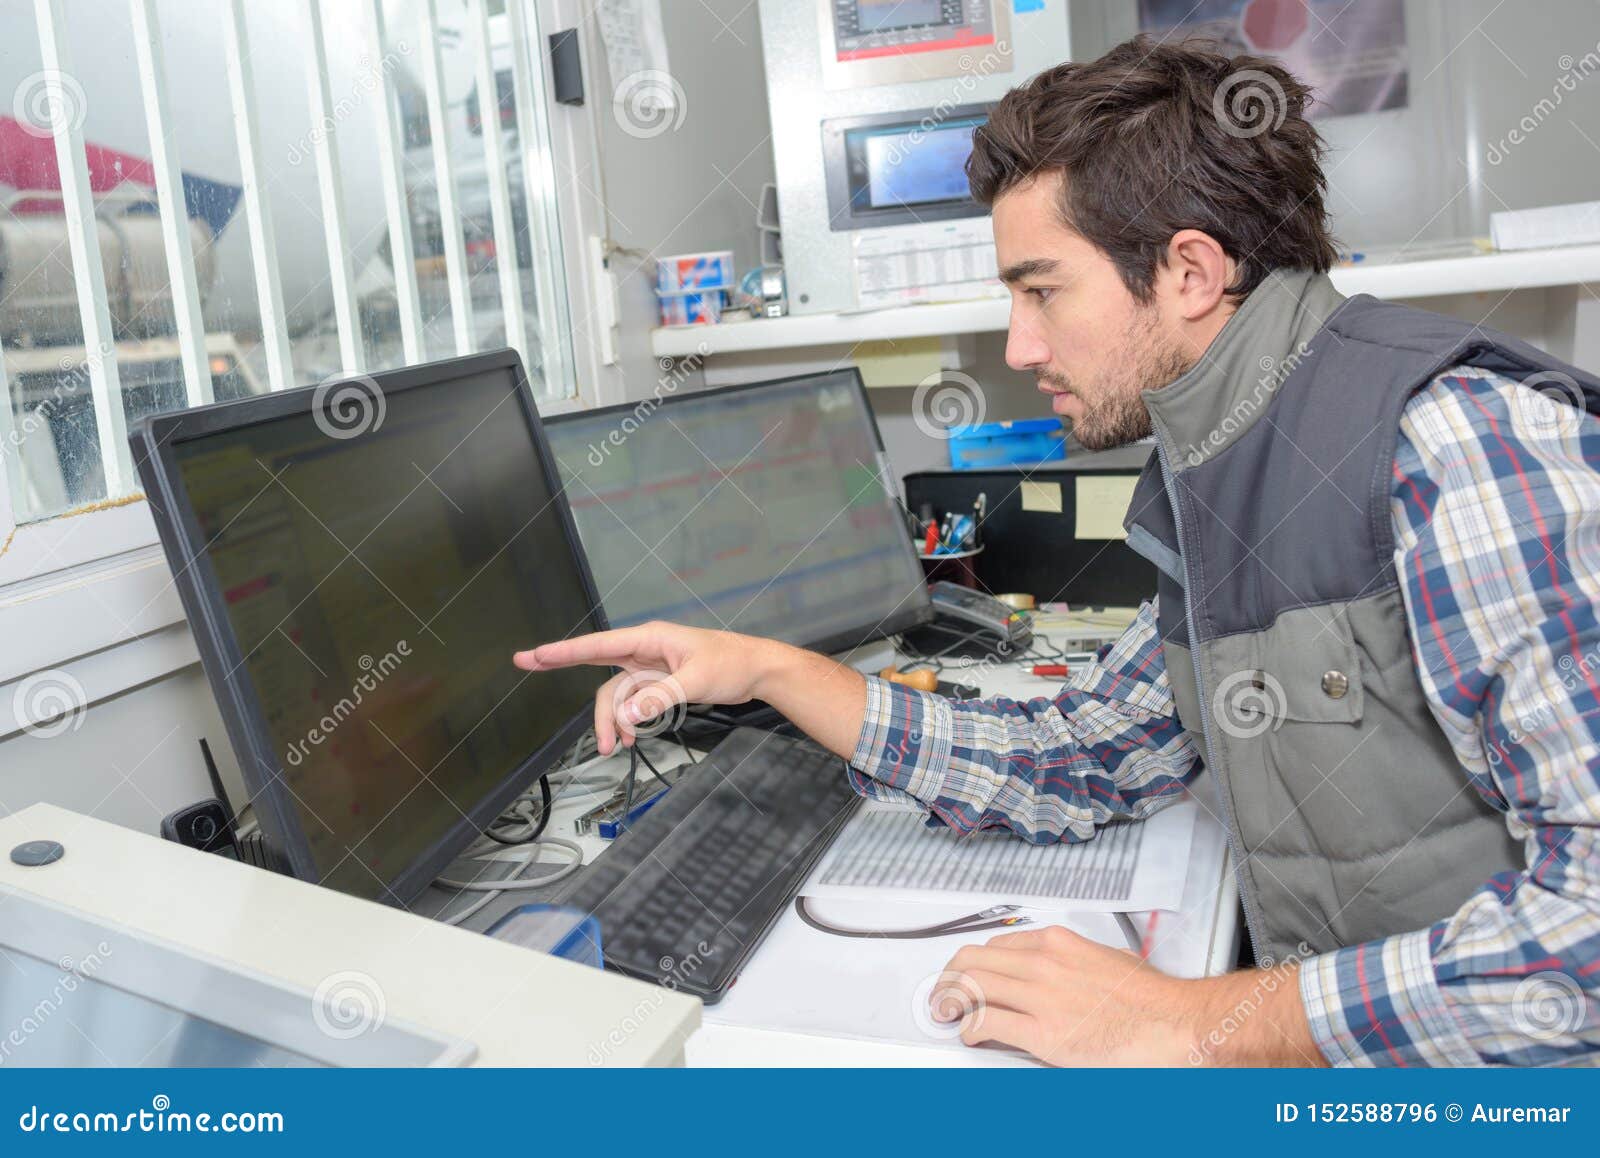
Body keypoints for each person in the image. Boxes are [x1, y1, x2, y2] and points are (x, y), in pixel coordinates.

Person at [516, 37, 1600, 1067]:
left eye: (1041, 291)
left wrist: (1193, 1024)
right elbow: (1085, 754)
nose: (1019, 346)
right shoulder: (1217, 456)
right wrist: (767, 670)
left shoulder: (1451, 441)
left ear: (1188, 272)